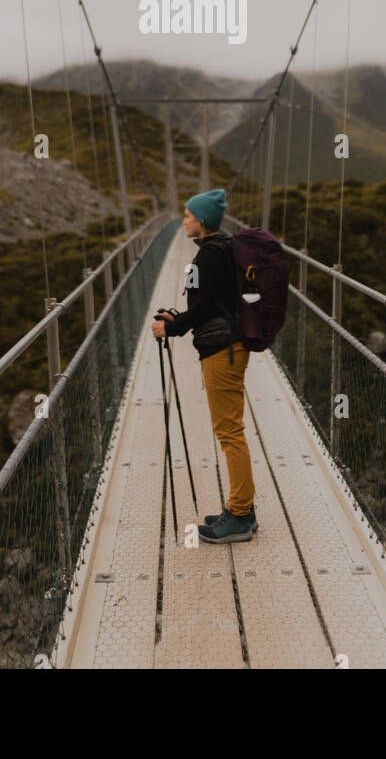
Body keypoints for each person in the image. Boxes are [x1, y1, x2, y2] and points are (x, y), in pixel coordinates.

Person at [151, 188, 258, 543]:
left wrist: (172, 326)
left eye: (188, 215)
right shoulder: (223, 249)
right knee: (231, 430)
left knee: (230, 432)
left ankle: (240, 516)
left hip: (222, 349)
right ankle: (241, 506)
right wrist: (179, 318)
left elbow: (208, 306)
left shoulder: (208, 256)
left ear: (203, 221)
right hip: (229, 344)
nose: (183, 220)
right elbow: (213, 302)